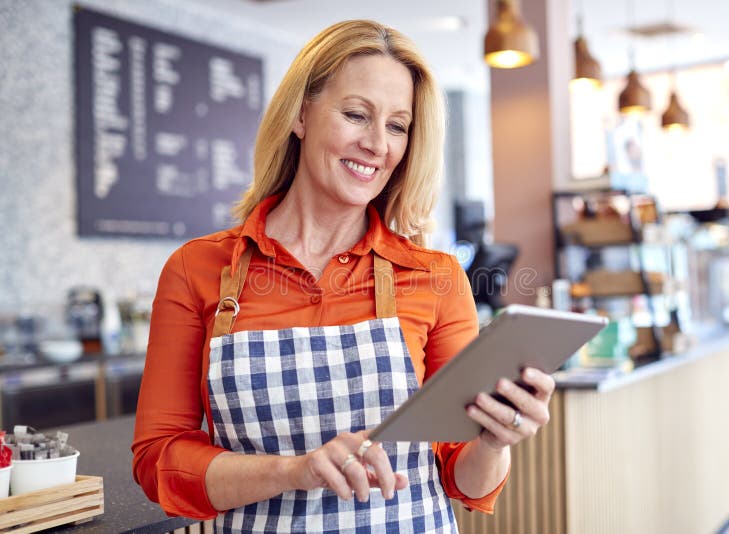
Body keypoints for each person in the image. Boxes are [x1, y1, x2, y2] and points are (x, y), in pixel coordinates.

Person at [132, 19, 555, 533]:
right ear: (300, 115)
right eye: (357, 115)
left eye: (398, 126)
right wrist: (293, 471)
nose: (378, 144)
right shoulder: (196, 270)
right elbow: (159, 463)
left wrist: (493, 441)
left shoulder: (435, 277)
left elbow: (463, 481)